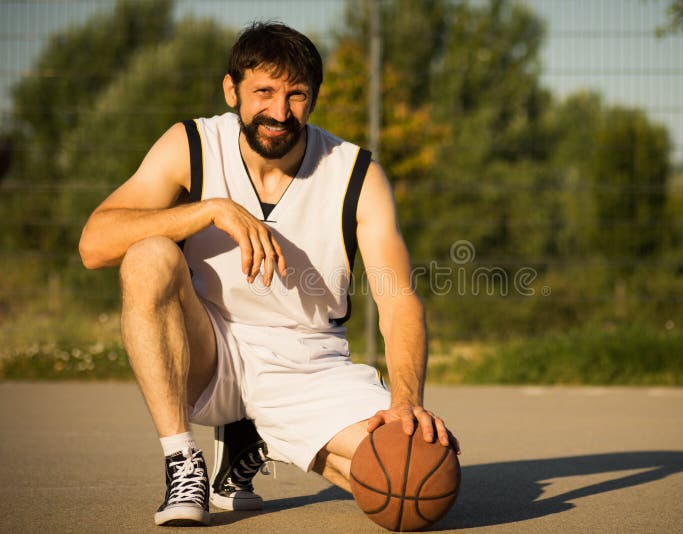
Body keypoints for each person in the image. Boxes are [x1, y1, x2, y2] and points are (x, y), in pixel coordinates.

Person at [78, 21, 458, 526]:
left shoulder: (355, 174)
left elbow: (398, 299)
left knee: (417, 476)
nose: (279, 112)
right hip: (210, 353)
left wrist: (407, 402)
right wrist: (209, 210)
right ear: (231, 90)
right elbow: (94, 244)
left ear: (314, 99)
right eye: (264, 92)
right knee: (149, 253)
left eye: (296, 95)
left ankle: (249, 439)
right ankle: (181, 460)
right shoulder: (191, 144)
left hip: (307, 365)